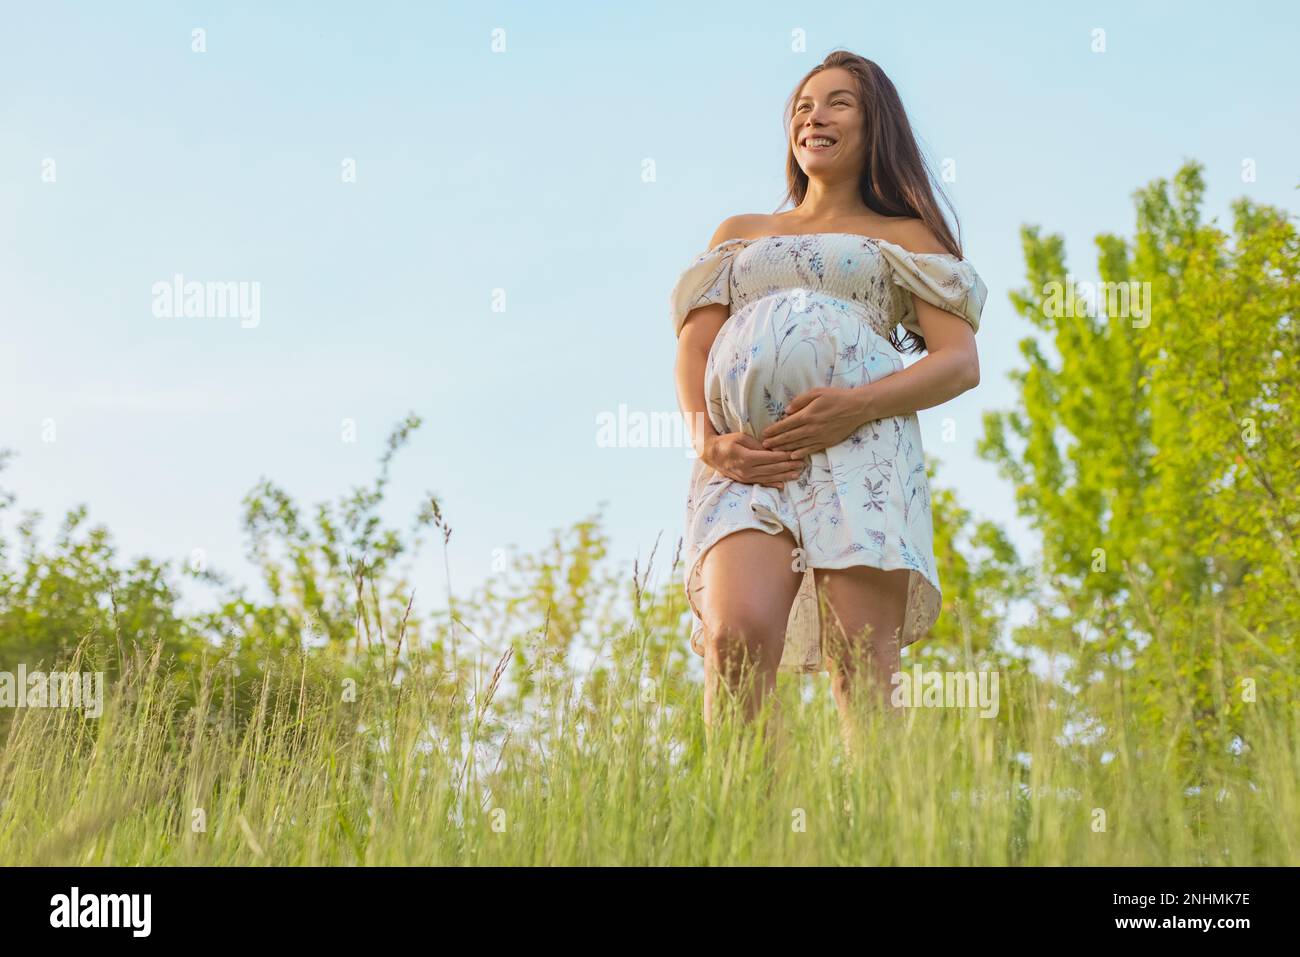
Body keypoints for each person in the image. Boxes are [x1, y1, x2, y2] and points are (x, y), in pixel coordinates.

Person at [669, 50, 988, 747]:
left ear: (876, 127)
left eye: (838, 102)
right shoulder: (739, 233)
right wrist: (708, 440)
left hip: (862, 446)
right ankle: (740, 838)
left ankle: (872, 842)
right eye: (803, 105)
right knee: (734, 638)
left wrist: (857, 404)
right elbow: (694, 347)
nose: (814, 115)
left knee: (863, 665)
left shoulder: (907, 236)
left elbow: (959, 364)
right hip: (748, 457)